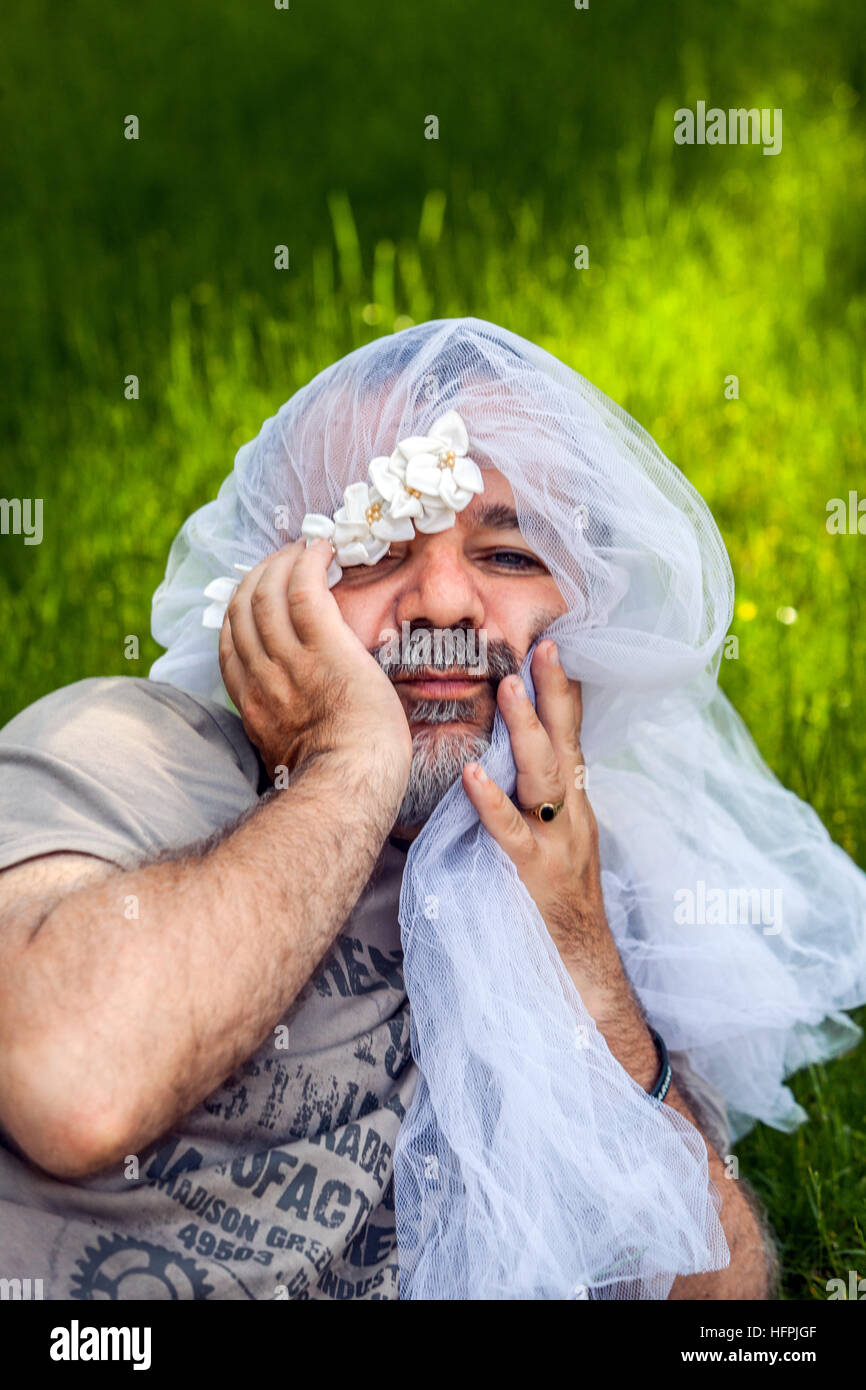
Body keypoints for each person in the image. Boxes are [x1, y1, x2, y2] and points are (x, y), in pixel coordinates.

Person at [0, 319, 862, 1301]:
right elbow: (73, 1086)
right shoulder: (125, 752)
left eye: (506, 556)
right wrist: (346, 766)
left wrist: (579, 953)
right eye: (369, 551)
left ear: (585, 614)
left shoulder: (594, 878)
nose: (445, 602)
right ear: (270, 585)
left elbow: (718, 1306)